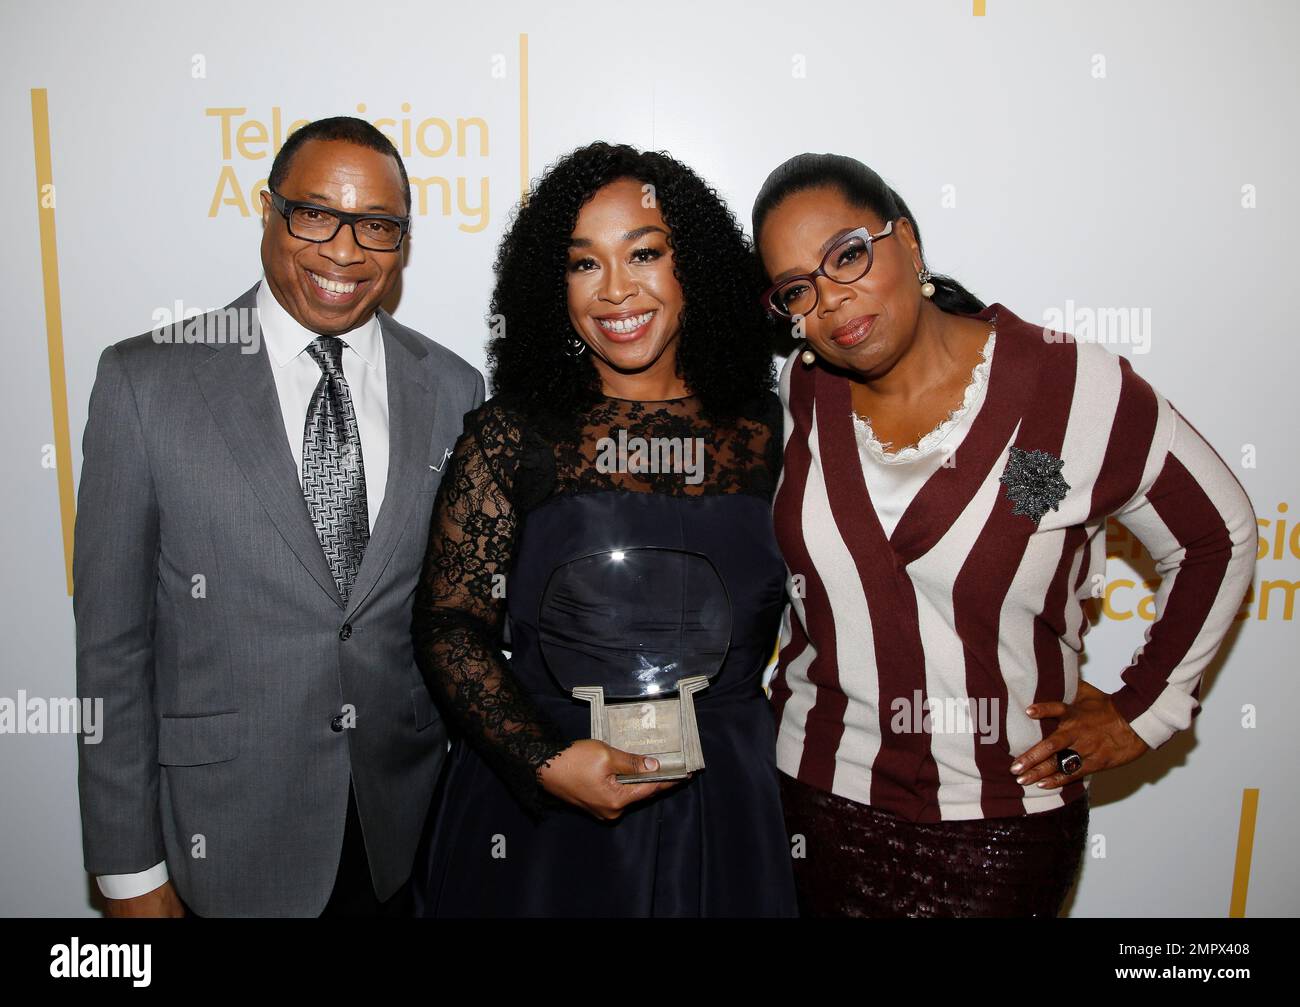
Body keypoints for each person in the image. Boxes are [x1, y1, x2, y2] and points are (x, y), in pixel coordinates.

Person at [752, 153, 1258, 917]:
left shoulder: (1070, 388)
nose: (831, 299)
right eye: (799, 288)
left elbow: (1218, 535)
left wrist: (1144, 711)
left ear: (910, 243)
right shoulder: (799, 393)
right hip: (814, 808)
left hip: (1005, 830)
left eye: (848, 255)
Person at [74, 116, 483, 917]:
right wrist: (129, 871)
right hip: (219, 846)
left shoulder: (453, 389)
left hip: (403, 839)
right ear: (269, 210)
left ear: (402, 240)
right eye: (315, 213)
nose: (343, 249)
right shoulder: (144, 382)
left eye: (377, 226)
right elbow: (112, 652)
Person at [411, 142, 797, 917]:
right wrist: (543, 757)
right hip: (544, 814)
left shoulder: (771, 427)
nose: (616, 290)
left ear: (698, 268)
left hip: (729, 804)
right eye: (583, 263)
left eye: (645, 253)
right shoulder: (510, 436)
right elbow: (450, 624)